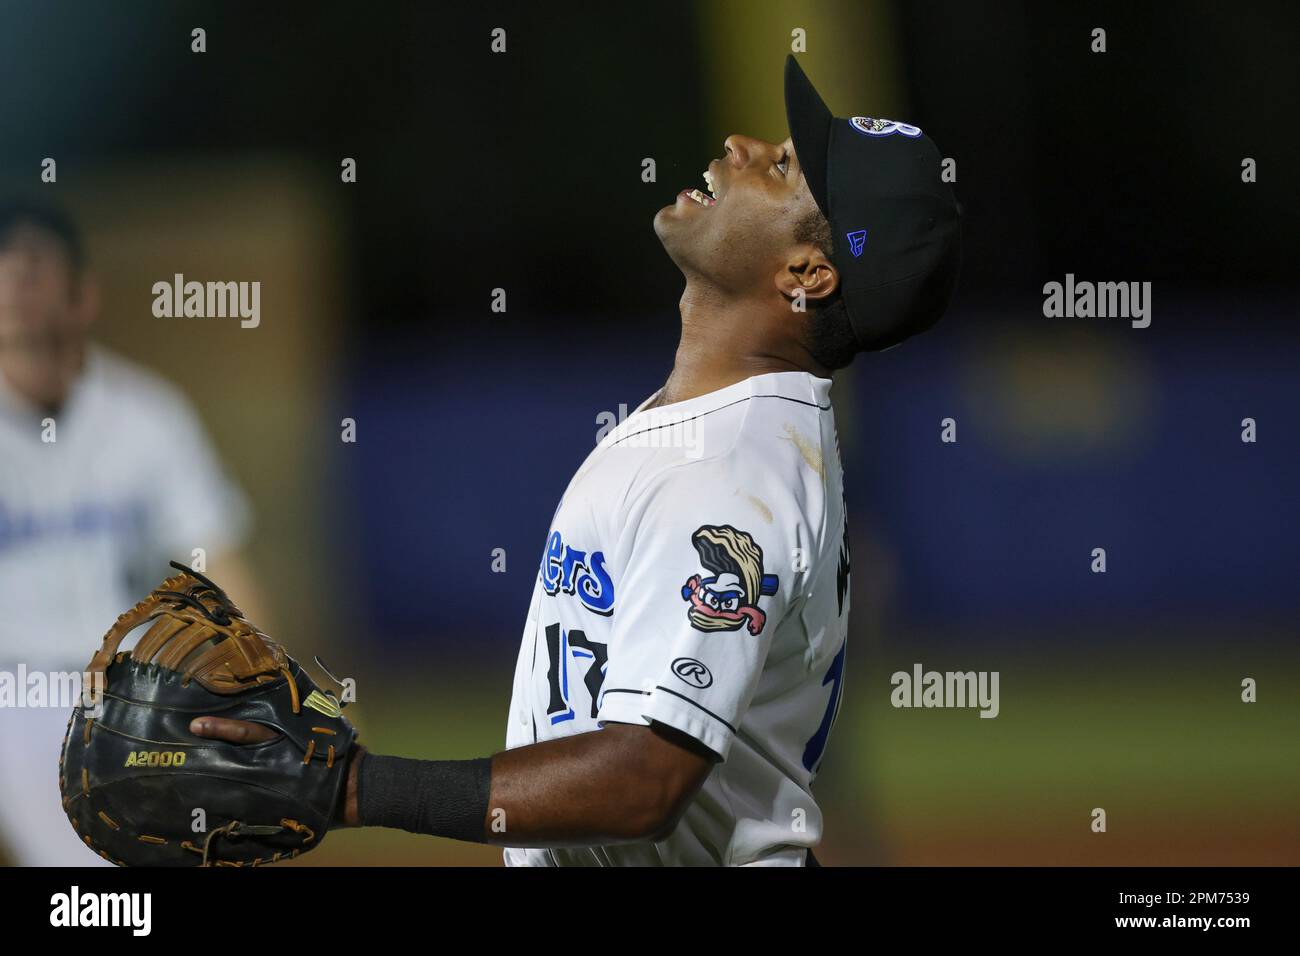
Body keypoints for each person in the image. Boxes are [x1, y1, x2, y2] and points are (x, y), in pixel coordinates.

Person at [190, 56, 960, 866]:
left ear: (806, 274)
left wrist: (351, 788)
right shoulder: (730, 428)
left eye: (782, 167)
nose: (739, 145)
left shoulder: (723, 470)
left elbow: (641, 784)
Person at [0, 198, 263, 865]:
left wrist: (264, 690)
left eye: (36, 276)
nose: (21, 298)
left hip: (120, 699)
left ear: (83, 296)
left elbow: (219, 567)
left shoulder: (146, 417)